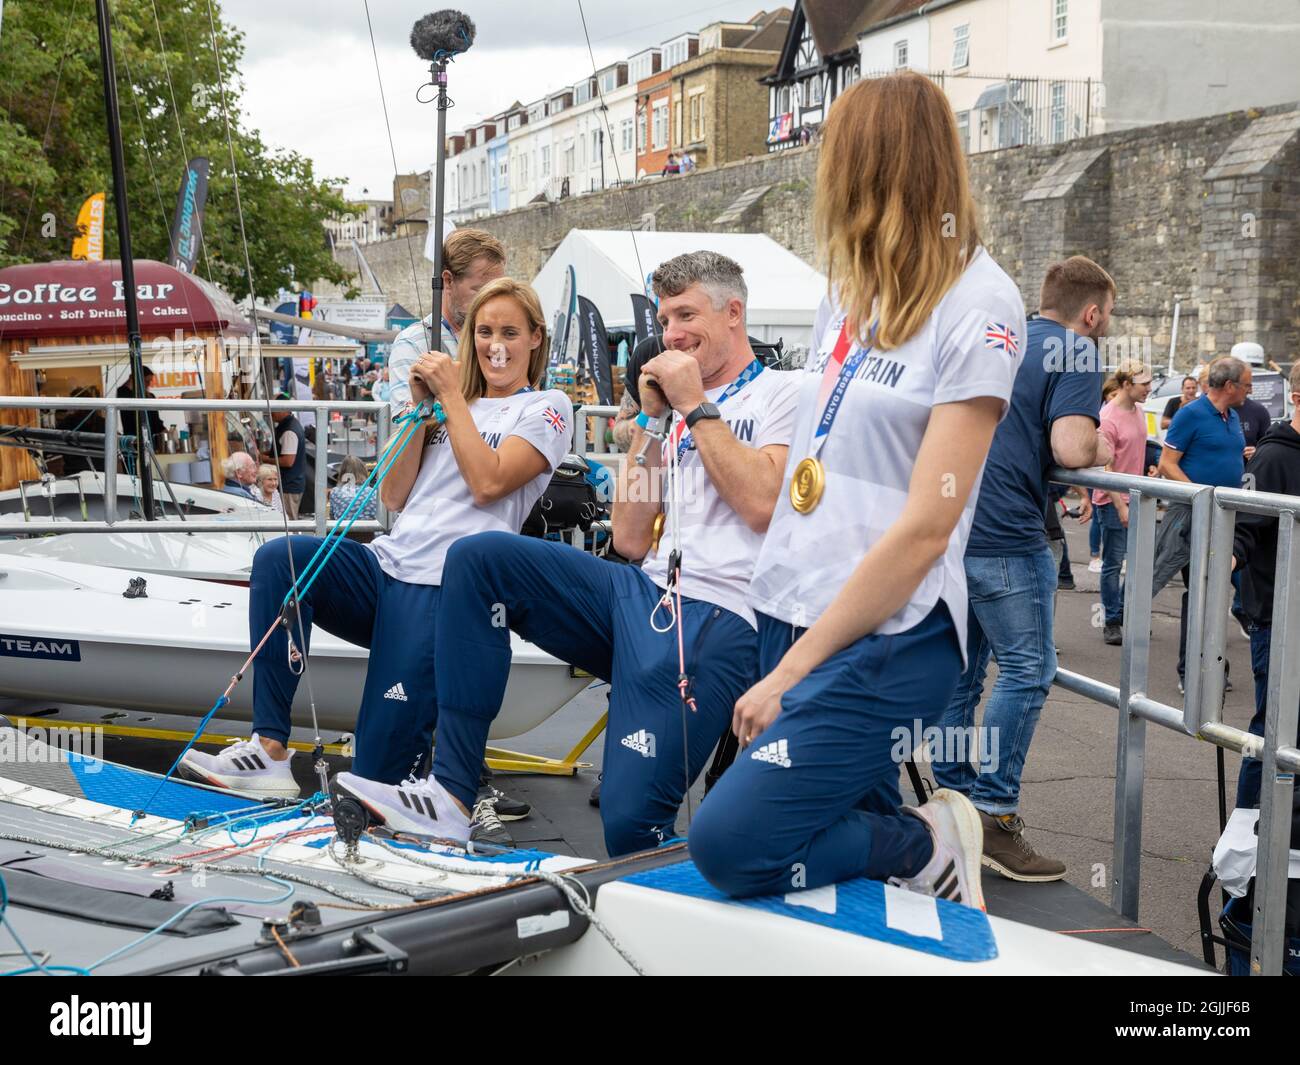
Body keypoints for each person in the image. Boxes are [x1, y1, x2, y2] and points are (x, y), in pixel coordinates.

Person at [684, 72, 1022, 906]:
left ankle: (930, 836)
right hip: (794, 600)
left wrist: (788, 673)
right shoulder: (850, 290)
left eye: (833, 156)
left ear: (873, 166)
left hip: (886, 637)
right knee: (812, 854)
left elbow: (926, 529)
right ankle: (921, 867)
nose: (820, 177)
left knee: (729, 843)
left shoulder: (981, 303)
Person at [334, 252, 800, 854]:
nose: (672, 334)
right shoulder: (679, 415)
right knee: (481, 557)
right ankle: (450, 794)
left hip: (718, 615)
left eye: (687, 315)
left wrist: (696, 408)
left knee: (630, 825)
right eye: (664, 319)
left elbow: (763, 503)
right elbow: (631, 539)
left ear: (733, 313)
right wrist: (653, 426)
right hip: (644, 591)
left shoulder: (781, 392)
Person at [180, 279, 572, 814]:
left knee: (373, 784)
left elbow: (490, 483)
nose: (494, 343)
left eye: (509, 331)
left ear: (535, 339)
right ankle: (270, 749)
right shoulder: (449, 406)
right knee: (280, 559)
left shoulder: (547, 406)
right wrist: (419, 413)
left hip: (444, 591)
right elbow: (393, 494)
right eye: (483, 331)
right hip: (387, 567)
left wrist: (453, 399)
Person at [925, 257, 1113, 883]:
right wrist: (1105, 443)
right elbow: (1071, 448)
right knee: (1029, 670)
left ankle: (953, 804)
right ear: (1091, 313)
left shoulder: (1003, 333)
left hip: (954, 525)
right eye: (1107, 316)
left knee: (963, 671)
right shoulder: (1078, 350)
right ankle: (995, 816)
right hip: (1007, 533)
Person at [1154, 356, 1252, 692]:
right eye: (1247, 385)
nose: (1250, 390)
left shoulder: (1233, 415)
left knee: (1218, 591)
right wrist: (1203, 497)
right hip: (1195, 518)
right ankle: (1191, 671)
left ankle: (1211, 665)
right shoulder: (1191, 413)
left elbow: (1222, 457)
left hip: (1227, 519)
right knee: (1200, 592)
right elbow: (1167, 464)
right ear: (1229, 386)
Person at [1231, 362, 1300, 808]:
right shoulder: (1275, 457)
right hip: (1280, 620)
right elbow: (1243, 529)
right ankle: (1245, 840)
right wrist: (1220, 566)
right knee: (1270, 731)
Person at [387, 229, 506, 410]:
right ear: (448, 281)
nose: (490, 301)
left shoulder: (502, 340)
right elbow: (406, 430)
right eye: (480, 290)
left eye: (498, 292)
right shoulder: (413, 343)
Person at [1094, 359, 1152, 645]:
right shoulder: (1108, 416)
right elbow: (1107, 465)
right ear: (1127, 385)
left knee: (1138, 561)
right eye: (1144, 384)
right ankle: (1112, 620)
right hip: (1113, 499)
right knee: (1113, 563)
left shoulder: (1140, 411)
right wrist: (1120, 505)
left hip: (1138, 495)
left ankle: (1128, 613)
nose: (1149, 389)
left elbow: (1141, 448)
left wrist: (1152, 469)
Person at [1088, 375, 1121, 573]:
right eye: (1112, 394)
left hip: (1114, 481)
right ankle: (1094, 554)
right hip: (1101, 478)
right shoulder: (1104, 416)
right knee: (1097, 519)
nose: (1115, 398)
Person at [269, 397, 307, 520]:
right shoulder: (288, 425)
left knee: (289, 520)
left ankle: (291, 539)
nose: (271, 412)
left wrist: (264, 459)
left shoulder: (289, 431)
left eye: (273, 409)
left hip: (290, 484)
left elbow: (288, 461)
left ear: (283, 409)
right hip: (291, 482)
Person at [116, 368, 165, 451]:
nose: (148, 384)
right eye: (146, 381)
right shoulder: (124, 393)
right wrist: (133, 380)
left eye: (150, 381)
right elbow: (123, 392)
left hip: (150, 440)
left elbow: (156, 421)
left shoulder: (150, 396)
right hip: (133, 439)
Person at [328, 455, 377, 522]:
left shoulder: (335, 492)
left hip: (343, 531)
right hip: (370, 531)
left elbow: (332, 517)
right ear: (363, 471)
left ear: (342, 472)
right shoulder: (373, 493)